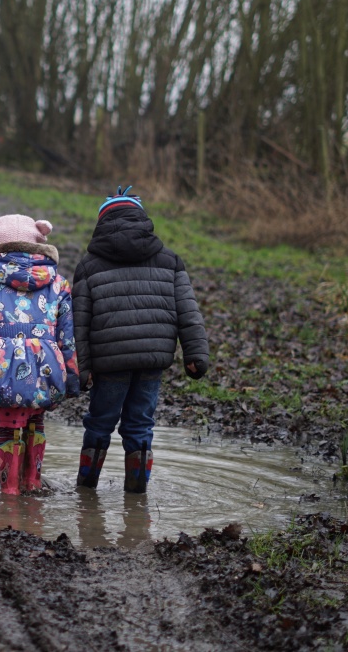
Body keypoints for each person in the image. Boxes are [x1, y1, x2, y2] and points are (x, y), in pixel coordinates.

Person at [72, 187, 209, 493]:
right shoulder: (170, 260)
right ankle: (137, 497)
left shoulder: (89, 265)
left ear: (102, 224)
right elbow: (189, 312)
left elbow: (78, 321)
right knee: (140, 424)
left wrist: (80, 368)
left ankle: (85, 490)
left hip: (109, 361)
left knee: (99, 422)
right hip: (152, 358)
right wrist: (196, 354)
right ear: (143, 220)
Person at [0, 214, 79, 495]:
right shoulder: (58, 283)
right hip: (46, 369)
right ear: (37, 242)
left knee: (8, 429)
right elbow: (66, 336)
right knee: (35, 422)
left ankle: (9, 496)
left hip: (2, 371)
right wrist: (71, 376)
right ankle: (33, 485)